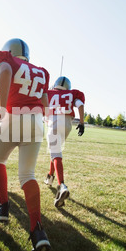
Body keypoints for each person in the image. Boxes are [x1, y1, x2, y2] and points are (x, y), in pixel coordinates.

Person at [0, 38, 51, 251]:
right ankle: (37, 231)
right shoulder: (41, 71)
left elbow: (3, 68)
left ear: (9, 51)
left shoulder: (7, 61)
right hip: (36, 120)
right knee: (27, 174)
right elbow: (44, 99)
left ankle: (3, 206)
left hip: (14, 116)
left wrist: (2, 107)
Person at [45, 76, 85, 207]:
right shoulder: (72, 94)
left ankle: (61, 185)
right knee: (55, 152)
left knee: (55, 153)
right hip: (67, 124)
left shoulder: (49, 93)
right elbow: (80, 104)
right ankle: (50, 177)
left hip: (54, 122)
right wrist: (82, 122)